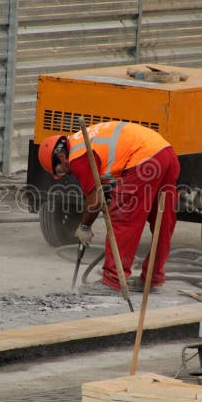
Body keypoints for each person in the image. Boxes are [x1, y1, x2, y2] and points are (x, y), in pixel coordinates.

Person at [38, 121, 180, 295]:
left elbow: (94, 199)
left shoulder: (77, 156)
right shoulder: (83, 139)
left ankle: (113, 280)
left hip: (143, 159)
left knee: (123, 218)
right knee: (163, 220)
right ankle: (153, 276)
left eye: (60, 170)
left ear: (60, 156)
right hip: (166, 152)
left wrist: (84, 227)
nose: (66, 174)